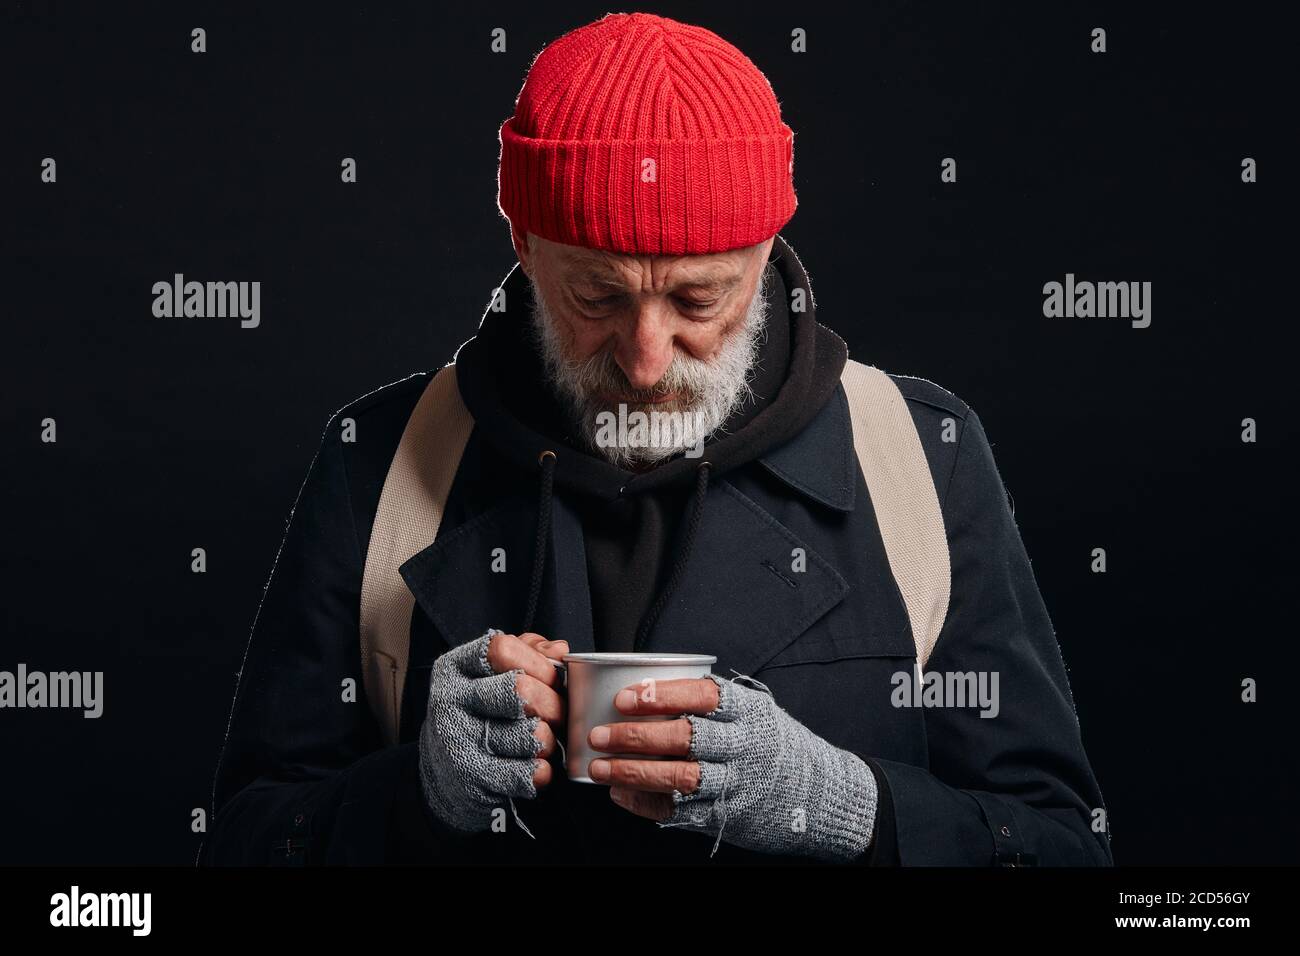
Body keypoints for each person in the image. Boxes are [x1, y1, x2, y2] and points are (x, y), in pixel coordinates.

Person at [201, 12, 1112, 866]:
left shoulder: (921, 458)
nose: (646, 361)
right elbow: (242, 839)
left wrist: (844, 804)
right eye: (596, 297)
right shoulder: (381, 459)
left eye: (697, 299)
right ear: (523, 241)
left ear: (764, 253)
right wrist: (416, 792)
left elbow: (1063, 845)